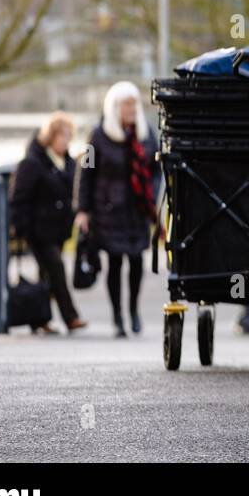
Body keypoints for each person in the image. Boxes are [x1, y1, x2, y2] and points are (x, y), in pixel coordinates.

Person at [73, 81, 160, 338]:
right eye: (127, 104)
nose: (132, 109)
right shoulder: (97, 135)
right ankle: (117, 316)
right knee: (114, 262)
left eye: (134, 104)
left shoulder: (146, 134)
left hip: (137, 210)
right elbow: (84, 173)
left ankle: (133, 310)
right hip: (107, 211)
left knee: (135, 262)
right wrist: (82, 209)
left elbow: (156, 169)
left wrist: (152, 196)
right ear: (115, 107)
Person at [8, 112, 87, 334]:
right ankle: (70, 317)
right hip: (38, 230)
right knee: (57, 269)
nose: (67, 141)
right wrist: (20, 229)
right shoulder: (32, 162)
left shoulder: (68, 162)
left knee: (47, 275)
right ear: (51, 137)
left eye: (69, 137)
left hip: (59, 230)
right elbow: (18, 198)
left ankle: (39, 320)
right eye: (63, 136)